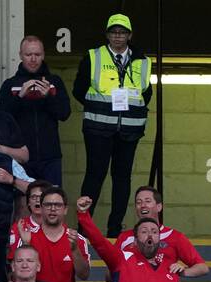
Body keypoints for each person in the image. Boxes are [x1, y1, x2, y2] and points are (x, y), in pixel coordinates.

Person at [72, 14, 152, 238]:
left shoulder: (142, 61)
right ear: (107, 35)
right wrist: (101, 108)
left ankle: (115, 229)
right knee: (95, 175)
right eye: (114, 32)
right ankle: (84, 229)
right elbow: (79, 89)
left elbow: (147, 93)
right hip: (98, 128)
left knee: (122, 177)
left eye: (122, 32)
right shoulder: (93, 56)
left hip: (129, 129)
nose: (118, 37)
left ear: (129, 35)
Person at [0, 35, 71, 185]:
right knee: (23, 203)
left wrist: (48, 97)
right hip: (21, 156)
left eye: (37, 55)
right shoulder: (10, 84)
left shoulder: (54, 81)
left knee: (51, 201)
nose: (33, 59)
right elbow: (1, 119)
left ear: (43, 55)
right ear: (20, 55)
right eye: (28, 54)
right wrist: (20, 96)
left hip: (50, 156)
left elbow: (64, 114)